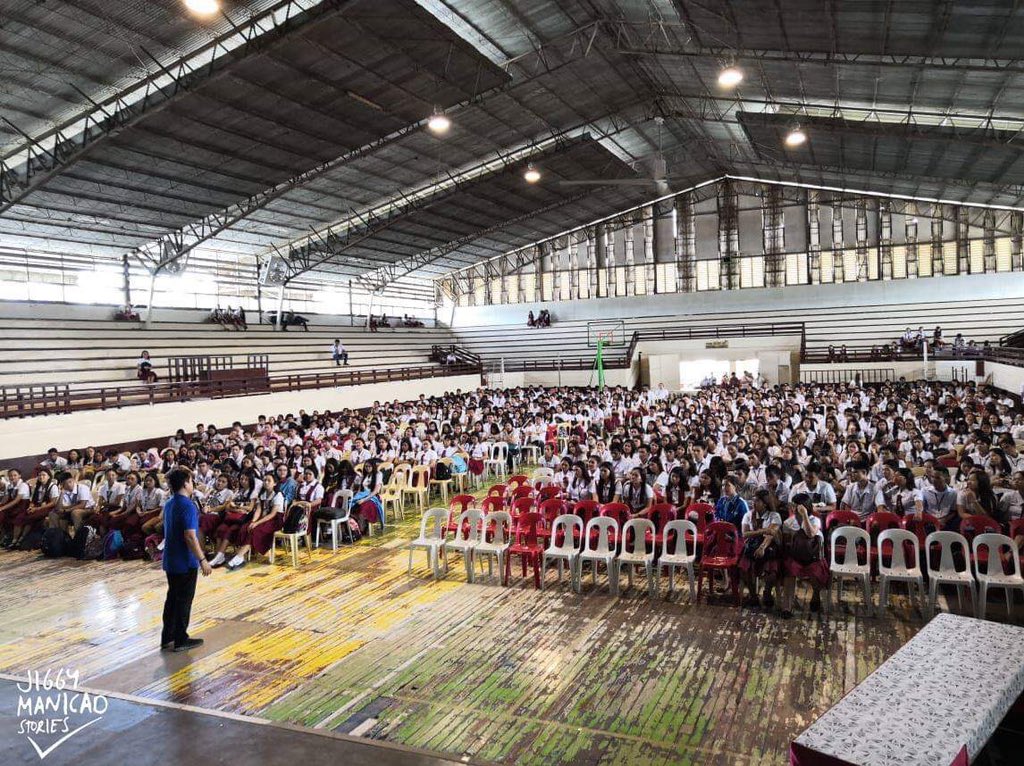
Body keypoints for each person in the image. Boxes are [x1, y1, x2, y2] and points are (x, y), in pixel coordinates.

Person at [161, 467, 210, 652]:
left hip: (170, 560)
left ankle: (168, 636)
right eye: (191, 480)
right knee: (183, 601)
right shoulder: (187, 505)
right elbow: (190, 536)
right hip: (184, 561)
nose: (193, 484)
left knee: (172, 599)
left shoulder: (170, 503)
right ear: (185, 483)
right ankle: (181, 639)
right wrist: (202, 559)